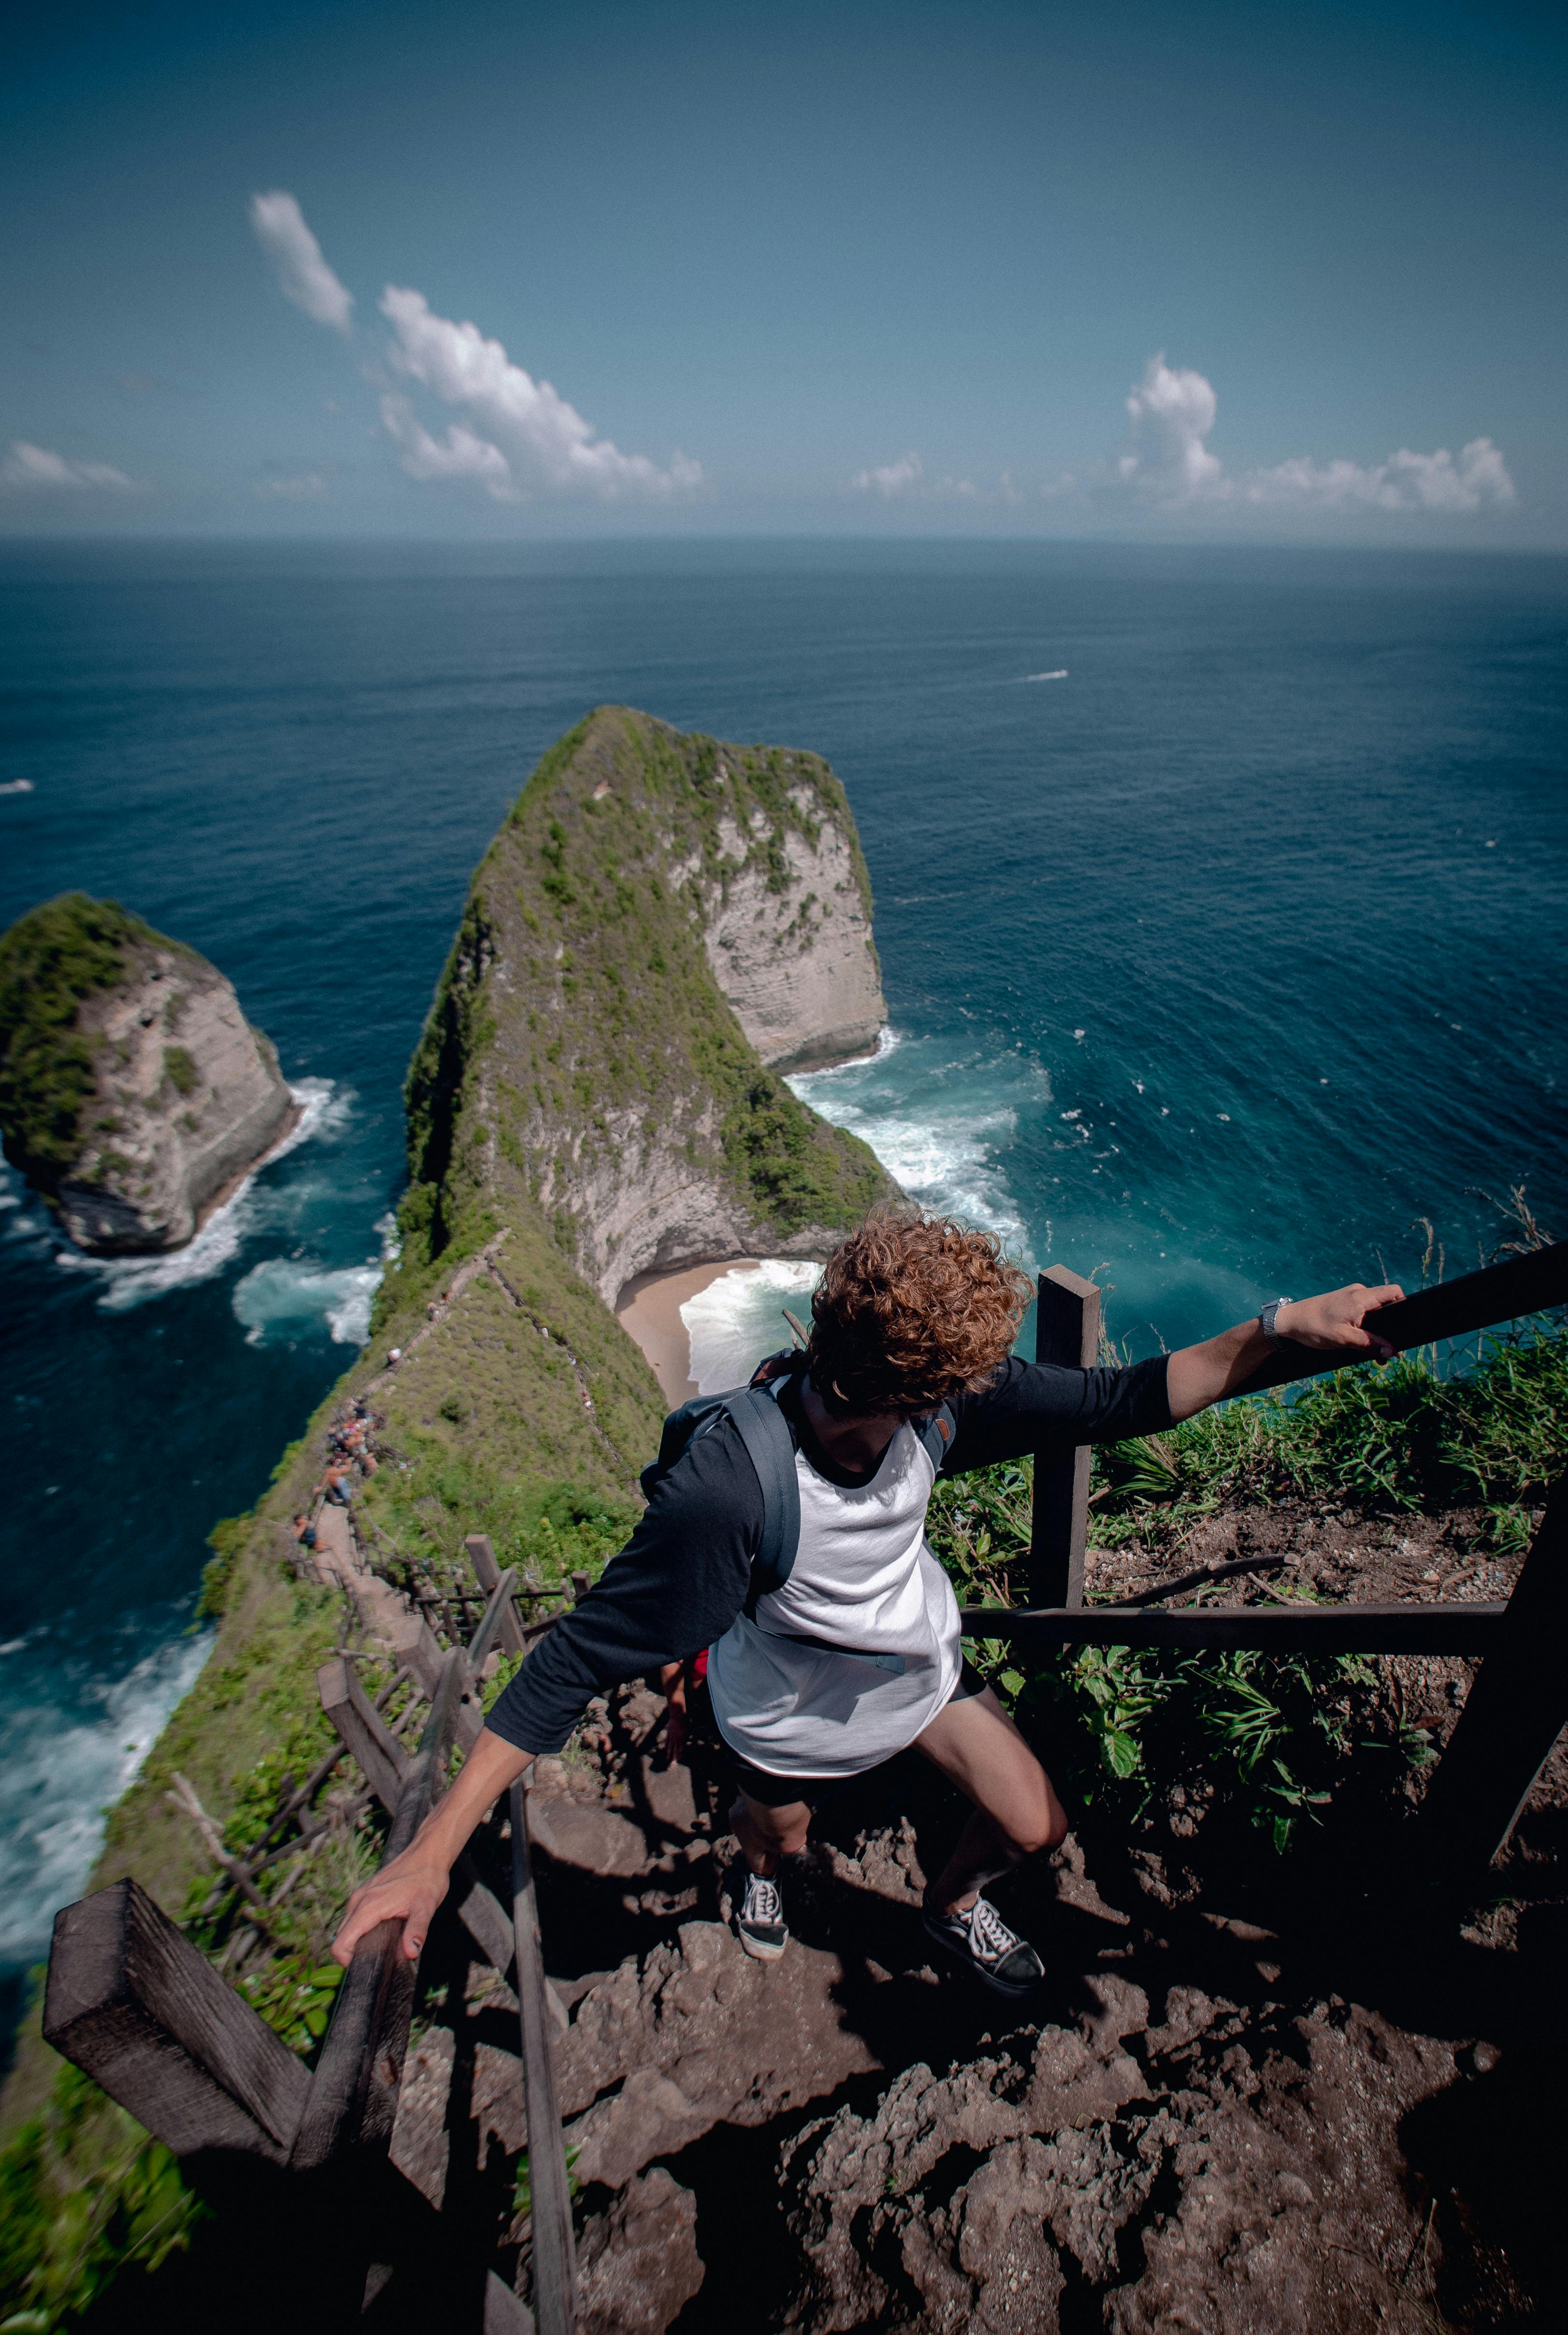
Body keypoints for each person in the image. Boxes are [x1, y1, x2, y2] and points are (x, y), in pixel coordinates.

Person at [332, 1210, 1403, 1995]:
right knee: (778, 1846)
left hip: (921, 1676)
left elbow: (1127, 1399)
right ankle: (759, 1876)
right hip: (787, 1719)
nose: (982, 1388)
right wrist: (430, 1854)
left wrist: (1282, 1324)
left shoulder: (939, 1407)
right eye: (958, 1382)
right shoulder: (732, 1490)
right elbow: (570, 1664)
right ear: (908, 1384)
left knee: (1034, 1824)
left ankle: (947, 1906)